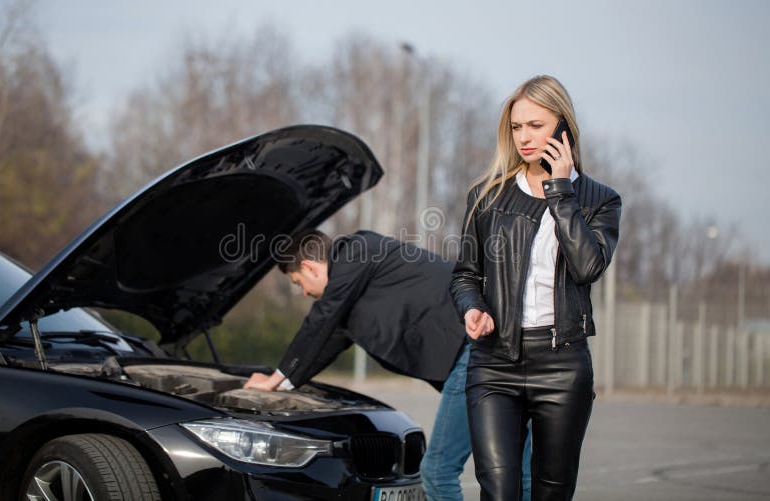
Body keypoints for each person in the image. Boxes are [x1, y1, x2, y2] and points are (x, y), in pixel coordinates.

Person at [243, 228, 532, 500]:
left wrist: (274, 378)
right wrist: (283, 384)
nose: (304, 293)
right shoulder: (351, 288)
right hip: (483, 349)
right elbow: (324, 343)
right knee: (519, 464)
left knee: (438, 472)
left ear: (309, 268)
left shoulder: (356, 251)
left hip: (473, 350)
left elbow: (320, 319)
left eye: (298, 284)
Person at [450, 75, 621, 500]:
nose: (524, 137)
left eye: (535, 125)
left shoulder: (600, 200)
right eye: (516, 127)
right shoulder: (487, 196)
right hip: (494, 363)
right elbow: (465, 274)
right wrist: (471, 307)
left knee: (551, 492)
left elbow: (588, 267)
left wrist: (560, 191)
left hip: (563, 366)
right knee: (499, 490)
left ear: (563, 127)